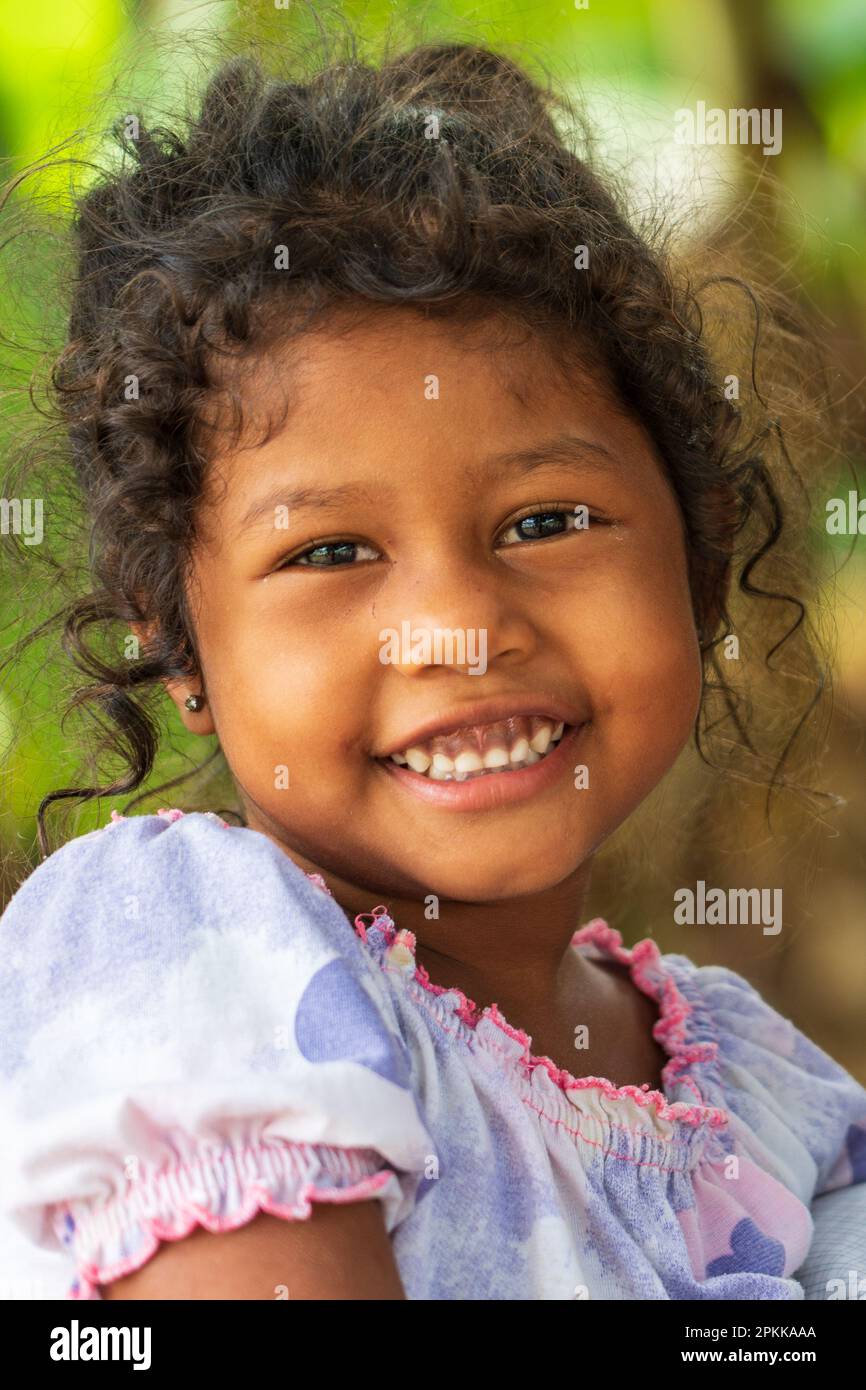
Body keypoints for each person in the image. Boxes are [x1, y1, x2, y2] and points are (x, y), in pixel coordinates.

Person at [1, 34, 864, 1301]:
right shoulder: (181, 952)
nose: (458, 627)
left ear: (697, 542)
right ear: (176, 640)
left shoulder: (767, 1087)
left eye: (545, 522)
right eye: (332, 549)